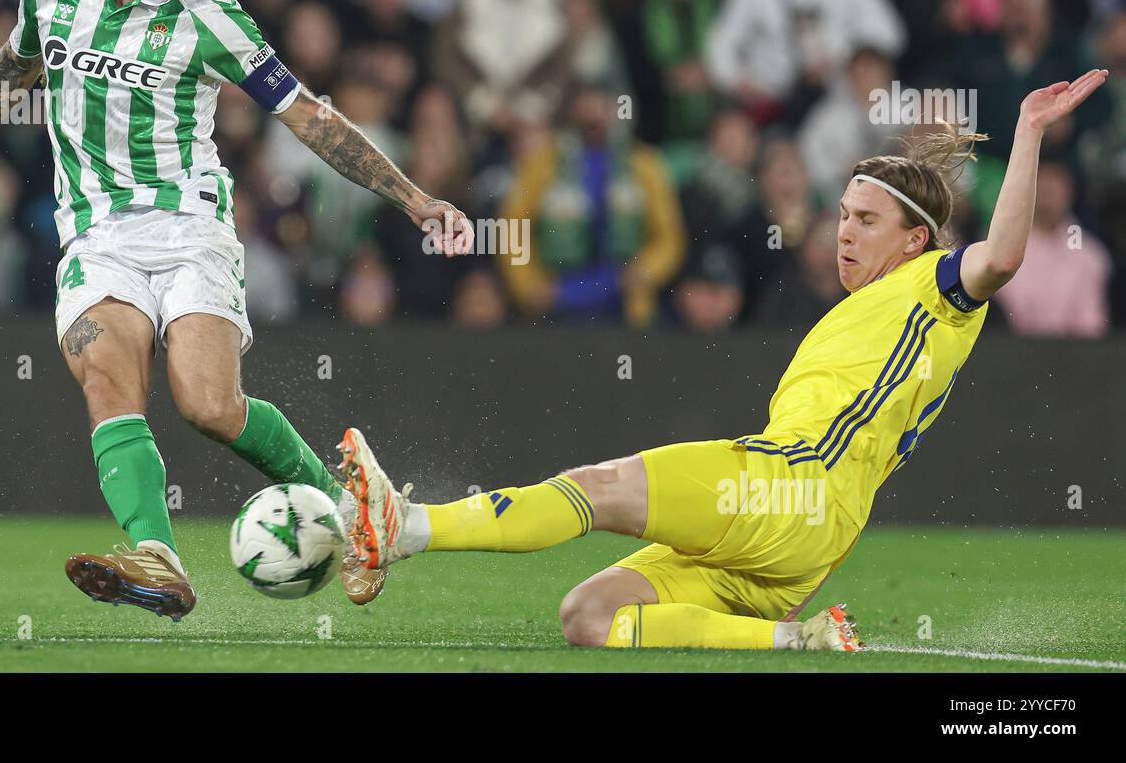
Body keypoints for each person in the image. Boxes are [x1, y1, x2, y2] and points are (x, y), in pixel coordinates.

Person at [0, 0, 473, 621]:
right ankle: (159, 559)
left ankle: (353, 514)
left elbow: (310, 116)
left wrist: (414, 198)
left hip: (191, 230)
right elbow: (11, 68)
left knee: (208, 405)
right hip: (96, 237)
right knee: (106, 378)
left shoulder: (208, 14)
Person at [338, 70, 1108, 651]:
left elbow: (1002, 256)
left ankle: (404, 528)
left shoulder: (932, 286)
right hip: (805, 544)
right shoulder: (871, 308)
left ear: (915, 240)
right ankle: (798, 641)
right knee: (590, 617)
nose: (844, 232)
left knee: (595, 488)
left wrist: (1030, 131)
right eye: (841, 215)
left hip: (791, 488)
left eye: (866, 220)